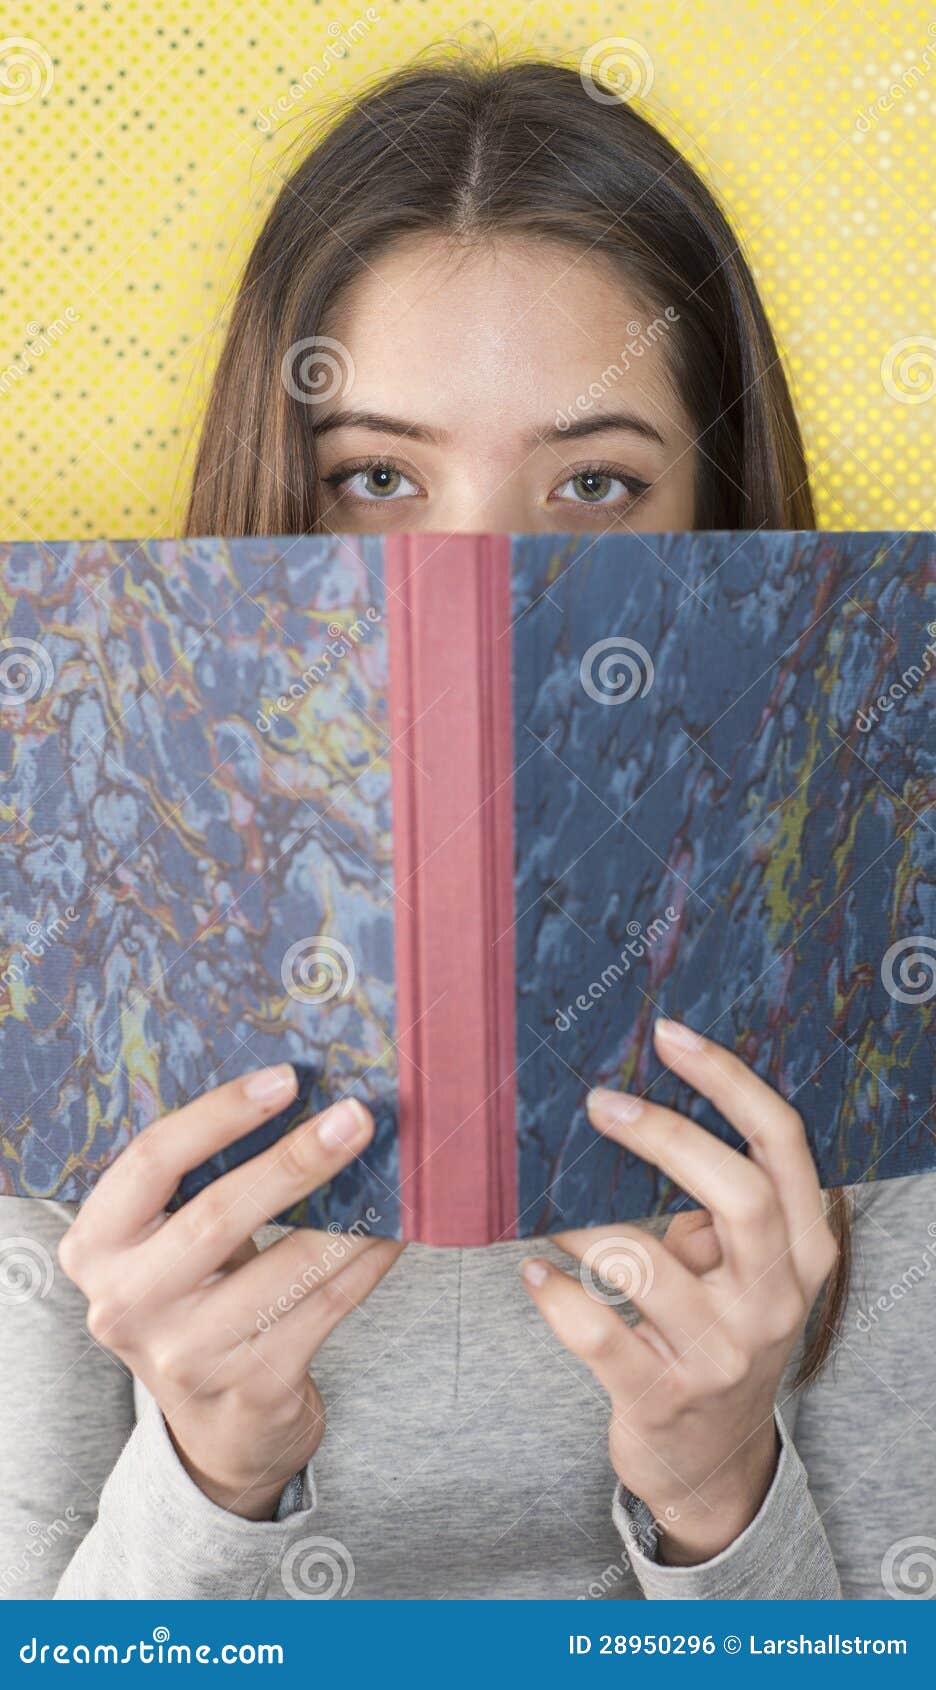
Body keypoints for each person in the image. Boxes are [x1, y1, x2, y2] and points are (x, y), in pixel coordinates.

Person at [2, 53, 932, 1603]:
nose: (480, 576)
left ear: (724, 525)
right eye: (376, 474)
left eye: (596, 480)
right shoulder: (71, 941)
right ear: (277, 503)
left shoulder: (869, 946)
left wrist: (718, 1487)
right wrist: (211, 1473)